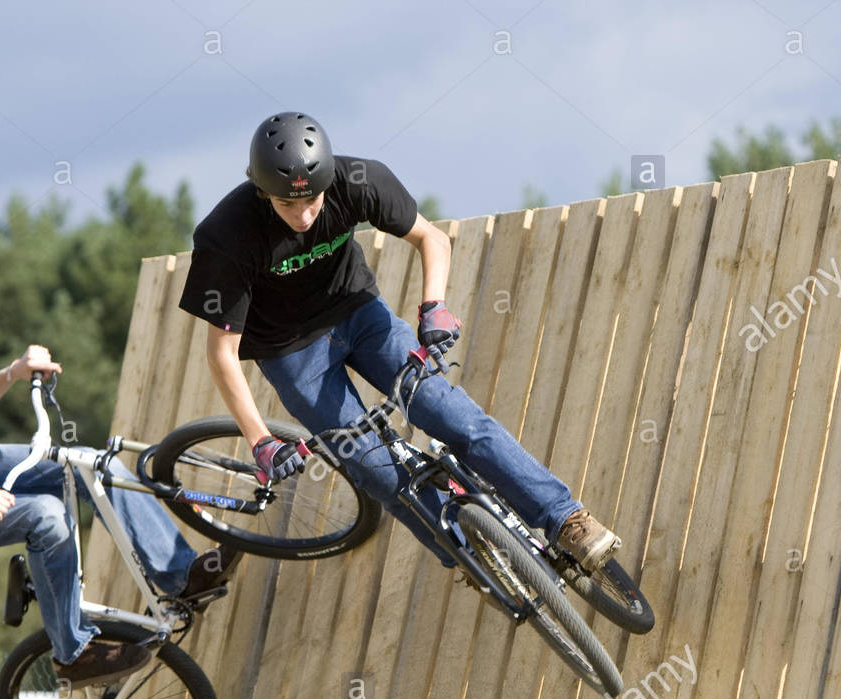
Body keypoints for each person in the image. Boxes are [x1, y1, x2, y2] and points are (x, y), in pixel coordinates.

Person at [178, 111, 621, 577]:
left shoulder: (360, 180)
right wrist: (260, 440)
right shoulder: (226, 236)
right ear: (263, 191)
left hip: (359, 314)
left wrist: (434, 306)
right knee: (374, 468)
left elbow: (431, 238)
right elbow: (222, 354)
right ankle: (469, 552)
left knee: (449, 412)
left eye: (314, 202)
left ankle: (566, 518)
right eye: (289, 207)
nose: (305, 217)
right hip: (289, 352)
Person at [0, 303, 238, 686]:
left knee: (91, 463)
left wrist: (13, 372)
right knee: (47, 516)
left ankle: (182, 576)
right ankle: (73, 654)